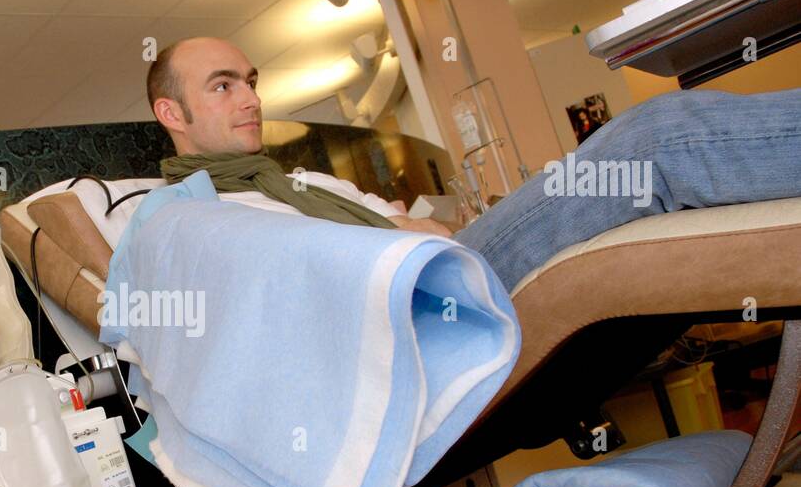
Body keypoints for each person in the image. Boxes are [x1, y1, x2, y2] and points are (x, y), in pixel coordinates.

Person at [146, 37, 801, 291]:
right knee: (652, 141)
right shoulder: (202, 219)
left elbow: (396, 223)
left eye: (252, 80)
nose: (253, 99)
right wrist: (402, 234)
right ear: (171, 114)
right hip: (430, 291)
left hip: (446, 256)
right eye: (224, 86)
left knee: (638, 166)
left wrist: (401, 227)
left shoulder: (296, 182)